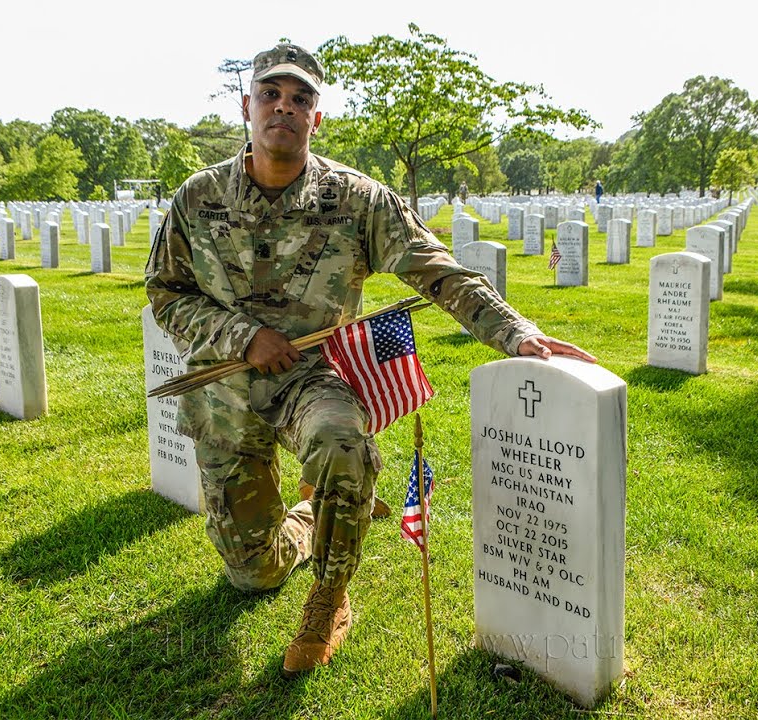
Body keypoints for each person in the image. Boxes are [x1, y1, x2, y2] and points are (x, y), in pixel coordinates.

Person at [145, 42, 596, 678]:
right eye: (271, 95)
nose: (284, 107)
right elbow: (166, 293)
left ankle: (329, 598)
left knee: (342, 442)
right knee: (254, 574)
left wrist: (517, 334)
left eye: (300, 98)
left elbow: (439, 271)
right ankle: (313, 517)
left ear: (316, 117)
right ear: (247, 106)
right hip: (226, 390)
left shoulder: (357, 199)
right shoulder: (198, 197)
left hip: (312, 377)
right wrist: (241, 336)